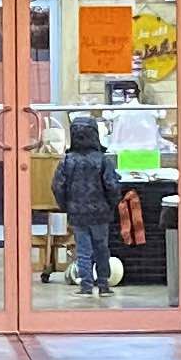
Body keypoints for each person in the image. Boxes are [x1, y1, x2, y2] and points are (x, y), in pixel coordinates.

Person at [55, 110, 121, 295]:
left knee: (83, 250)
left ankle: (85, 285)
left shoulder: (67, 161)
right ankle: (103, 284)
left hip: (77, 212)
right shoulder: (103, 160)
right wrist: (112, 204)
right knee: (102, 248)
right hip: (101, 212)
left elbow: (57, 186)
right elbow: (112, 186)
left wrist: (65, 205)